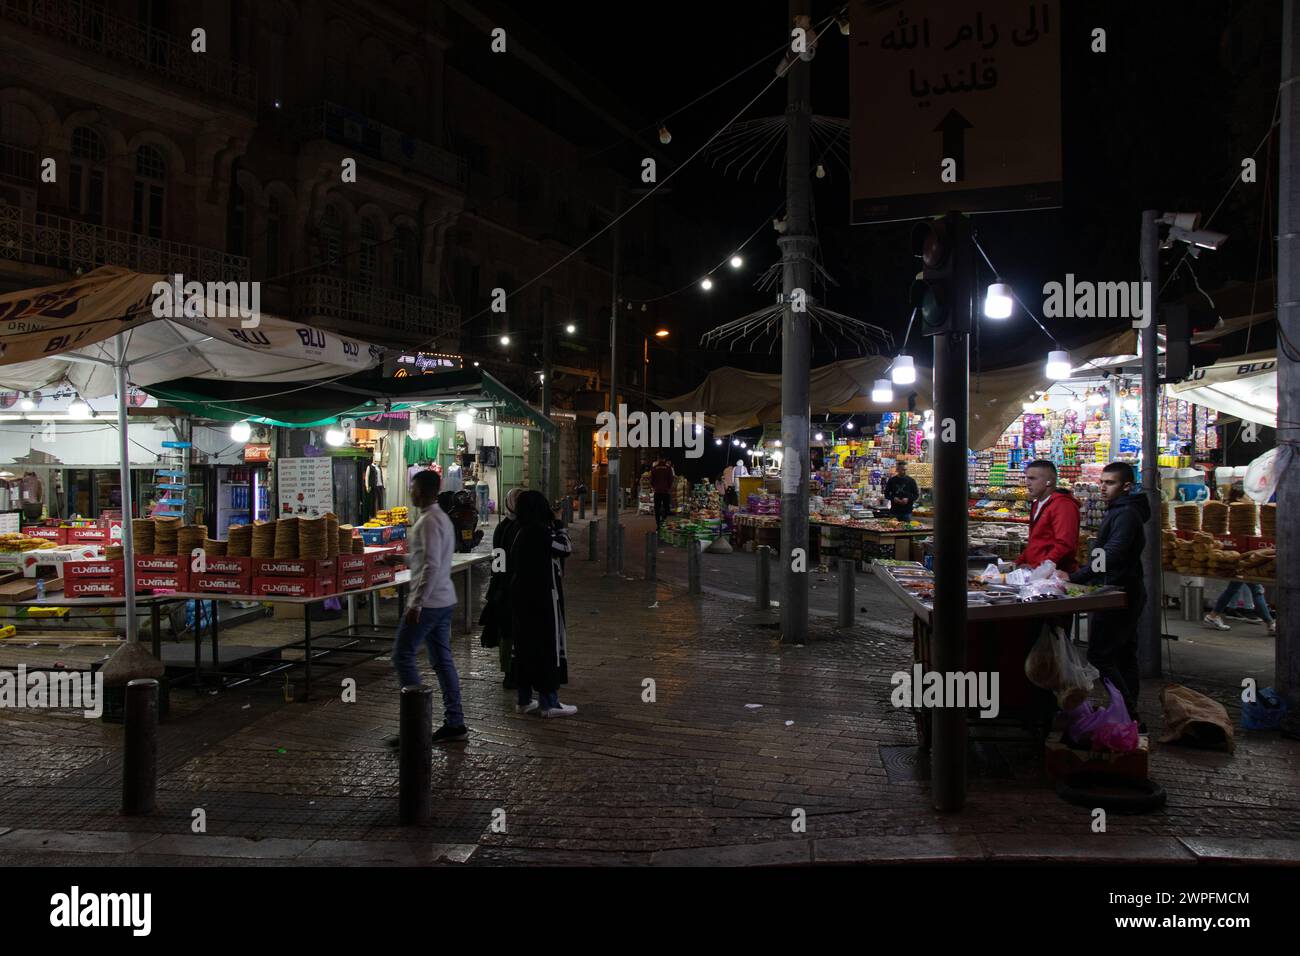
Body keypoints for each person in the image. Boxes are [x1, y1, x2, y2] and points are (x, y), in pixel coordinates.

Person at [1066, 462, 1149, 723]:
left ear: (1127, 486)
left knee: (1100, 656)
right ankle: (1129, 716)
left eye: (1110, 483)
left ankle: (1129, 713)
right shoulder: (1121, 510)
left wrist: (1076, 577)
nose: (1103, 487)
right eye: (1101, 482)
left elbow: (1112, 553)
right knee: (1123, 655)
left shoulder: (1126, 514)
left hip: (1119, 592)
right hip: (1122, 588)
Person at [391, 469, 467, 744]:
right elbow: (427, 558)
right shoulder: (438, 518)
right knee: (442, 662)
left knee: (402, 655)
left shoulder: (428, 521)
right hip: (443, 600)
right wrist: (400, 559)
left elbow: (432, 566)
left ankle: (414, 726)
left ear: (422, 491)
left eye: (412, 487)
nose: (410, 492)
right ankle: (455, 723)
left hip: (431, 603)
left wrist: (416, 604)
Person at [509, 490, 577, 718]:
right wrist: (559, 524)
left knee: (524, 648)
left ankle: (524, 699)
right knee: (546, 647)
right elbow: (565, 548)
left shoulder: (519, 530)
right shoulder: (538, 532)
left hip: (521, 598)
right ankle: (549, 702)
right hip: (542, 598)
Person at [481, 488, 523, 687]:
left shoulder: (506, 527)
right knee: (509, 630)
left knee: (509, 630)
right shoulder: (512, 527)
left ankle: (512, 670)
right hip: (511, 587)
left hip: (508, 586)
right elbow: (498, 559)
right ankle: (511, 670)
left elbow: (497, 561)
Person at [1015, 459, 1081, 572]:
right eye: (1027, 478)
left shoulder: (1063, 505)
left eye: (1032, 478)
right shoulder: (1037, 504)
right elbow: (1035, 541)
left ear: (1049, 481)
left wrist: (1040, 568)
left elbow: (1065, 544)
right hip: (1036, 573)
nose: (1027, 483)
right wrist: (1018, 562)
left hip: (1055, 575)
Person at [650, 457, 675, 530]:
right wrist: (668, 487)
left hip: (657, 492)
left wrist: (655, 487)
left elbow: (651, 480)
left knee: (657, 509)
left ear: (658, 459)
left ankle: (658, 525)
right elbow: (671, 479)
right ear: (664, 459)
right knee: (666, 508)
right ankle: (663, 522)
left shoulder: (654, 468)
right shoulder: (668, 468)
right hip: (666, 492)